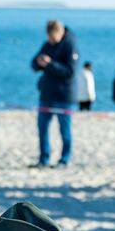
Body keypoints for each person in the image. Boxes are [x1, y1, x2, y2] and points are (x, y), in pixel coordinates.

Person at [31, 20, 80, 167]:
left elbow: (70, 72)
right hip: (46, 94)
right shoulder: (47, 45)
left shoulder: (70, 45)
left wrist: (50, 64)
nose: (51, 40)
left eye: (53, 37)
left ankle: (64, 159)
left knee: (64, 130)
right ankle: (43, 159)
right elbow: (33, 64)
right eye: (49, 37)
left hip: (64, 96)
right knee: (42, 128)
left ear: (60, 32)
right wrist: (38, 62)